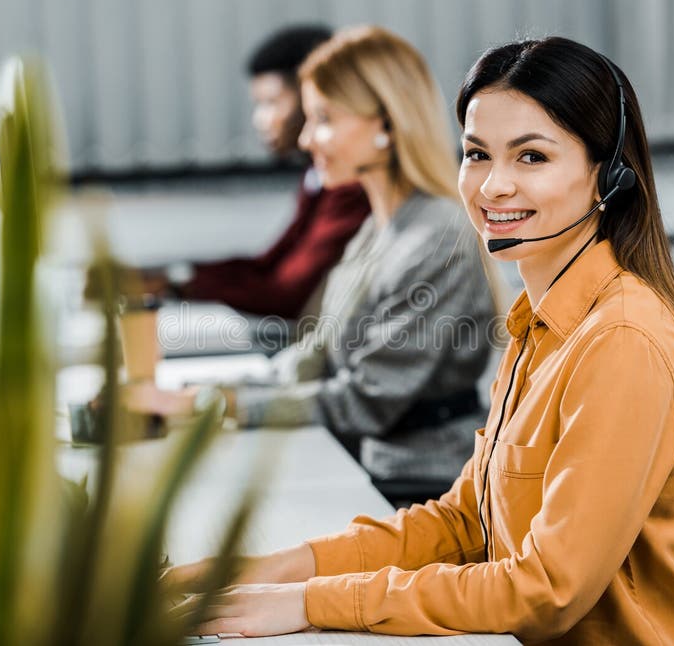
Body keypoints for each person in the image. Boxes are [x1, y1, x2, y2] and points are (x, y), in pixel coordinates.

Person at [160, 36, 674, 644]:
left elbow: (546, 589)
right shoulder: (539, 325)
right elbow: (463, 523)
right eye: (477, 154)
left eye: (531, 157)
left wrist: (314, 602)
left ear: (607, 175)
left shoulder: (622, 342)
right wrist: (270, 572)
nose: (493, 185)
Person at [145, 25, 495, 486]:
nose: (306, 139)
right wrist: (198, 394)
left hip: (422, 482)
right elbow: (314, 355)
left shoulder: (436, 238)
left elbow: (365, 402)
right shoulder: (379, 226)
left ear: (386, 123)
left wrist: (212, 406)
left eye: (324, 119)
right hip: (370, 463)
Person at [156, 24, 371, 320]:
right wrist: (177, 276)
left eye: (271, 102)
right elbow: (271, 264)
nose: (260, 120)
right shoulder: (317, 175)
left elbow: (285, 292)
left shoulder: (349, 182)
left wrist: (180, 284)